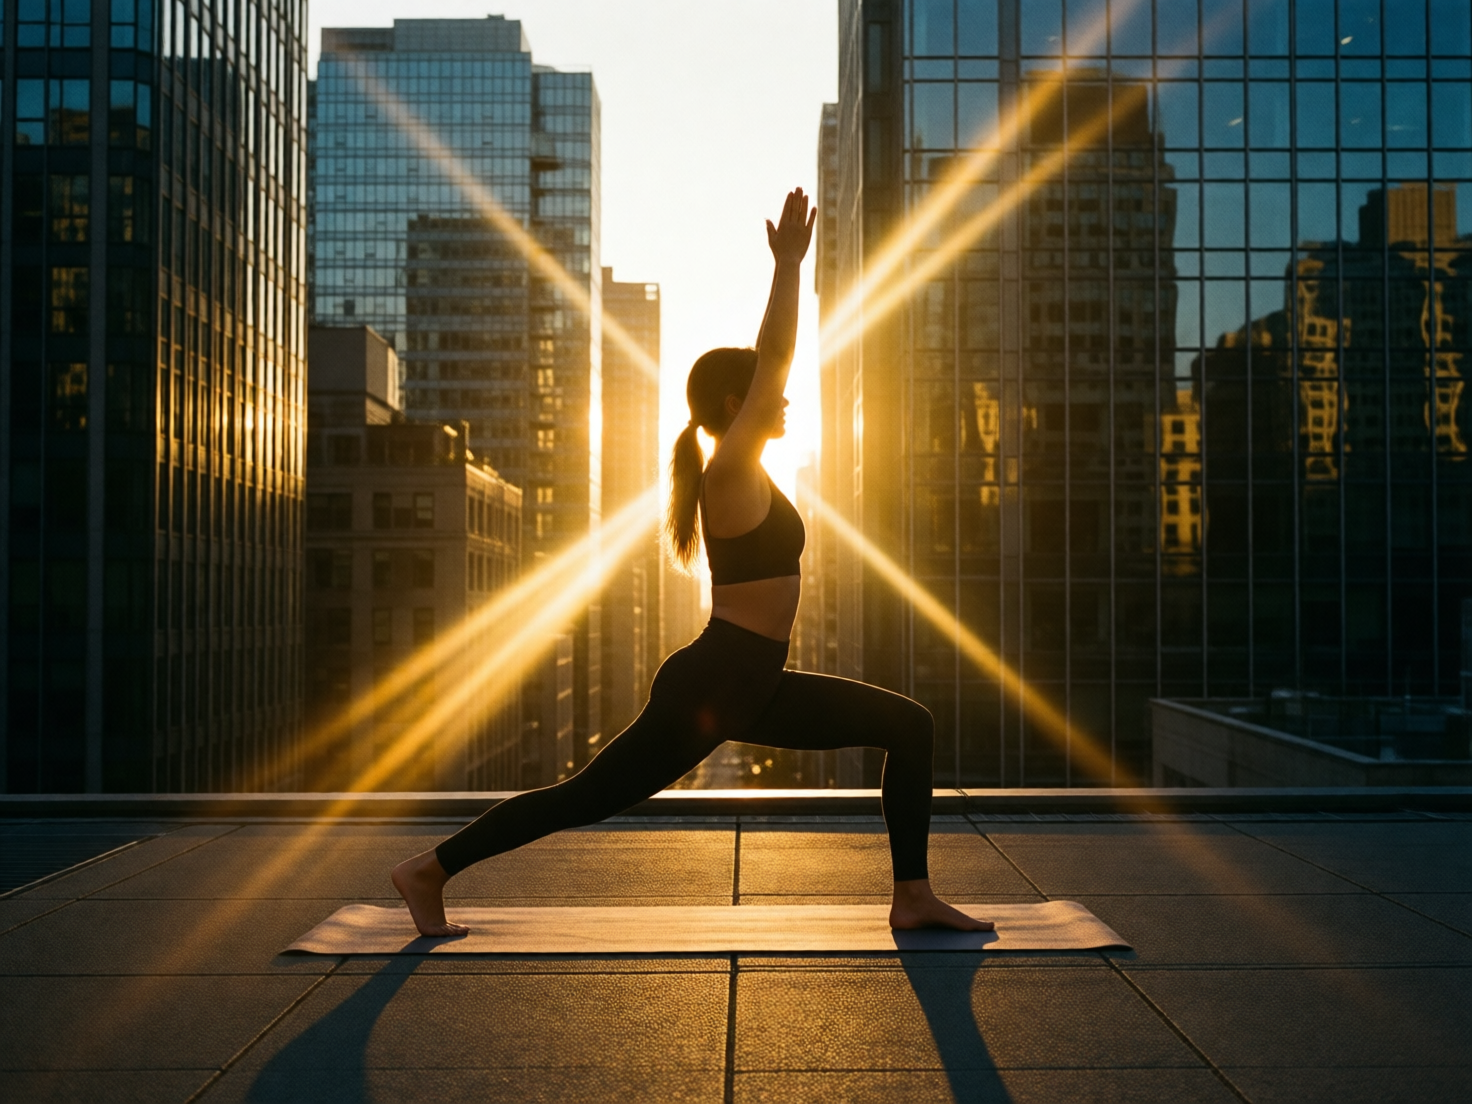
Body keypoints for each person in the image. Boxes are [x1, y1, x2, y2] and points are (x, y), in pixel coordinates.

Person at [392, 188, 991, 937]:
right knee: (584, 798)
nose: (784, 402)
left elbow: (771, 371)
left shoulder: (747, 472)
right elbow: (778, 357)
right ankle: (428, 870)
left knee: (908, 726)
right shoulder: (729, 470)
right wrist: (788, 267)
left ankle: (912, 896)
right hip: (719, 679)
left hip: (750, 680)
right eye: (766, 395)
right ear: (738, 403)